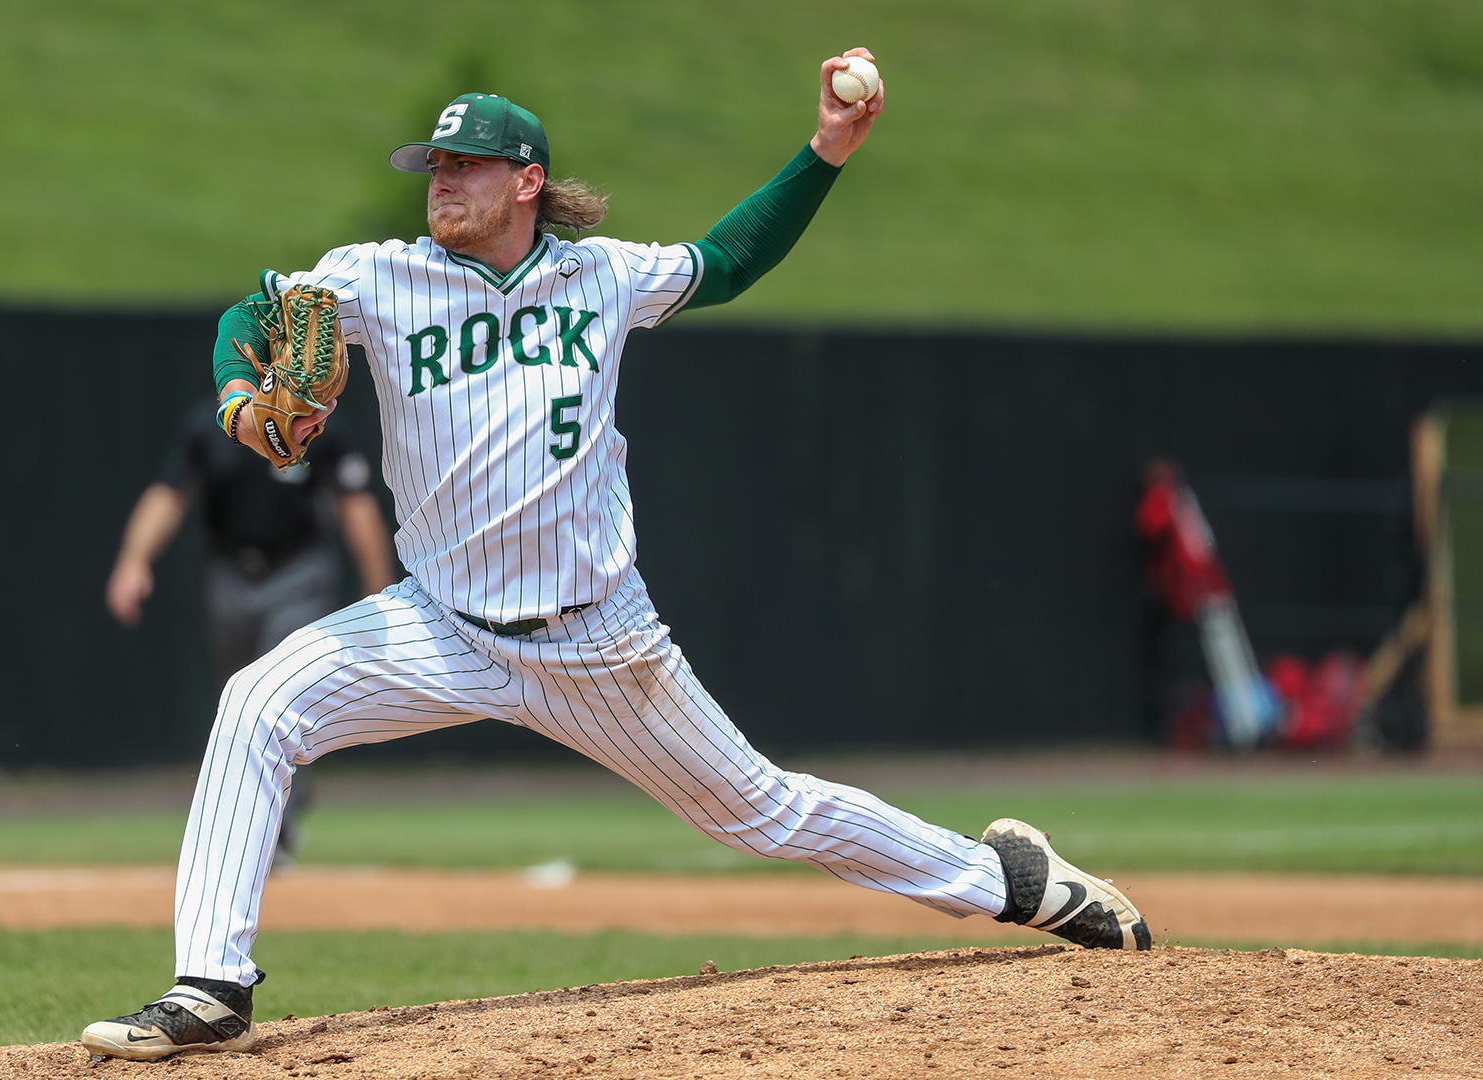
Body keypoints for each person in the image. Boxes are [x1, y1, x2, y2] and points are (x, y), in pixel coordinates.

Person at [82, 50, 1150, 1061]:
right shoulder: (379, 279)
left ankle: (1008, 878)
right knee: (258, 707)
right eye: (434, 166)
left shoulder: (602, 276)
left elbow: (728, 261)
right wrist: (239, 392)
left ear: (527, 181)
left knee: (764, 812)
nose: (441, 182)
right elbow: (260, 312)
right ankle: (210, 988)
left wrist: (825, 149)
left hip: (598, 641)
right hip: (439, 621)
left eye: (465, 167)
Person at [108, 402, 397, 855]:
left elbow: (355, 506)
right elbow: (168, 494)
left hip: (299, 574)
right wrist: (133, 561)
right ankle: (259, 808)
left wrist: (380, 590)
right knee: (236, 697)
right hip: (229, 578)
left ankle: (272, 832)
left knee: (281, 691)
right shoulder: (209, 425)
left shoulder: (316, 422)